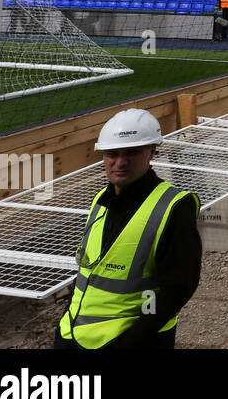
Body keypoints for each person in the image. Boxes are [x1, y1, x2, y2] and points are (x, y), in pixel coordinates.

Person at [55, 109, 200, 350]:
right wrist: (64, 328)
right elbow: (88, 273)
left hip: (133, 342)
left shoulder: (173, 207)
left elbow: (177, 288)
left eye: (131, 153)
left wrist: (133, 340)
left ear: (151, 151)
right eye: (112, 154)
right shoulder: (101, 199)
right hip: (74, 333)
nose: (120, 162)